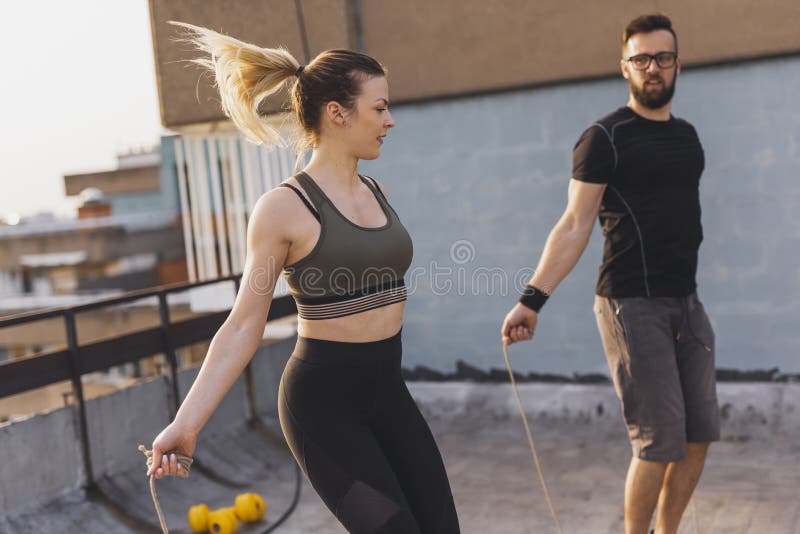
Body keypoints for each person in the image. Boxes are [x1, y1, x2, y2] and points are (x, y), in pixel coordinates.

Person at [147, 22, 460, 534]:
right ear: (338, 113)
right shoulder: (283, 209)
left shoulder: (376, 189)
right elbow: (244, 324)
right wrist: (186, 424)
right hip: (322, 408)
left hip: (389, 393)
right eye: (379, 107)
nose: (390, 120)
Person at [500, 14, 719, 534]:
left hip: (686, 302)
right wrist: (532, 298)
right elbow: (574, 224)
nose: (652, 68)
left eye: (662, 58)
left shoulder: (687, 138)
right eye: (641, 59)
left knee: (698, 434)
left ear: (677, 64)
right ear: (624, 67)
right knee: (658, 440)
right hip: (629, 303)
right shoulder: (603, 138)